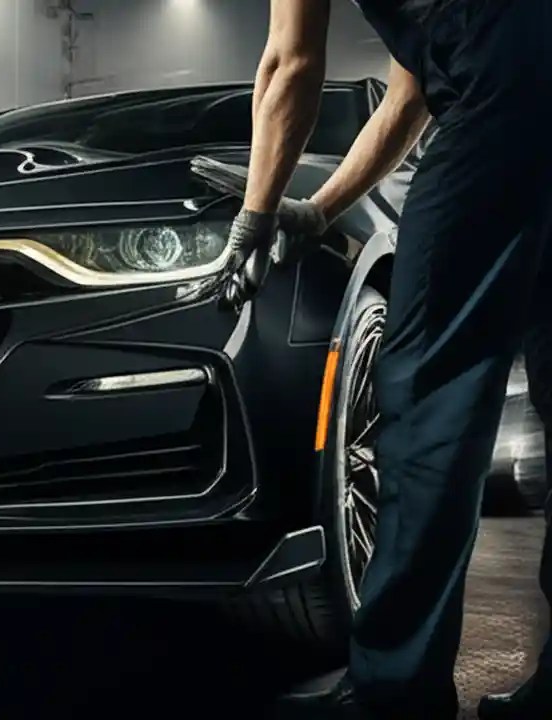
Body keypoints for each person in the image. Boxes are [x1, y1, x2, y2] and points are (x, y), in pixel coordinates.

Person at [222, 1, 552, 718]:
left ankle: (394, 692)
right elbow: (408, 99)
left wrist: (257, 212)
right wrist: (318, 209)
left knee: (429, 394)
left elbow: (289, 61)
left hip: (502, 81)